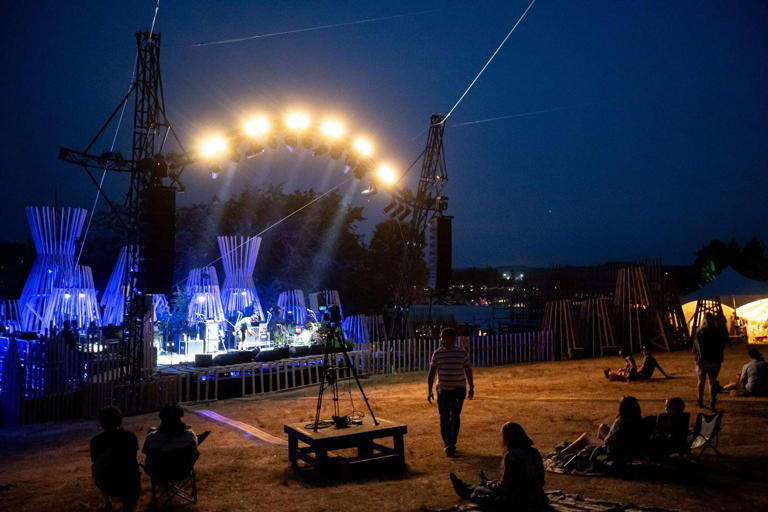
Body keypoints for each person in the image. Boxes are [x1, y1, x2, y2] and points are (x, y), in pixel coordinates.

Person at [449, 422, 548, 512]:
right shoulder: (534, 452)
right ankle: (469, 487)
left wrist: (492, 485)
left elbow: (507, 486)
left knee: (477, 492)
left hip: (517, 501)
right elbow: (538, 480)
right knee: (485, 487)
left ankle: (466, 489)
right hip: (537, 498)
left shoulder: (512, 456)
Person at [556, 396, 644, 465]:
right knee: (602, 427)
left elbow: (607, 440)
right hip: (627, 449)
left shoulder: (619, 423)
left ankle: (560, 456)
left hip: (613, 450)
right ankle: (594, 451)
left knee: (586, 436)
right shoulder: (639, 421)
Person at [428, 327, 474, 457]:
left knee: (454, 416)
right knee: (444, 417)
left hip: (458, 390)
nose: (441, 340)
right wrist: (429, 390)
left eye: (444, 338)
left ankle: (452, 443)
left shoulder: (462, 353)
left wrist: (471, 387)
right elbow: (432, 373)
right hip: (442, 390)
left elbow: (468, 370)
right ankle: (447, 442)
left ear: (452, 339)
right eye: (441, 338)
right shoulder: (437, 354)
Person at [90, 407, 140, 512]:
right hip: (130, 482)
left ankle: (108, 503)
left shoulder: (96, 441)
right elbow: (133, 457)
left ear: (102, 422)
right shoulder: (130, 437)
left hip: (109, 484)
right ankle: (128, 503)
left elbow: (96, 463)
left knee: (97, 468)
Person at [142, 404, 199, 483]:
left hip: (158, 473)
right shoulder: (190, 436)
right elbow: (195, 453)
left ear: (162, 418)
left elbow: (146, 453)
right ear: (180, 417)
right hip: (181, 472)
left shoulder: (151, 438)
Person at [694, 313, 726, 411]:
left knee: (701, 382)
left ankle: (700, 401)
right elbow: (722, 346)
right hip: (715, 361)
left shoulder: (699, 332)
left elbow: (695, 348)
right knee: (712, 383)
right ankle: (712, 403)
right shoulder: (718, 332)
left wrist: (698, 358)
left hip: (702, 361)